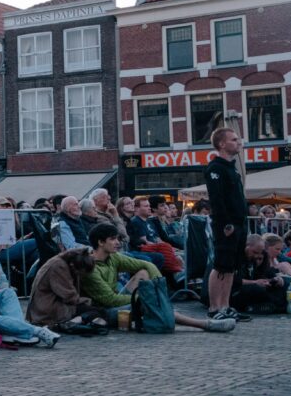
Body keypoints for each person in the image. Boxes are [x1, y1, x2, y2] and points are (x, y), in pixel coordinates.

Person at [81, 224, 231, 332]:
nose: (118, 243)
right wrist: (148, 298)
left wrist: (159, 292)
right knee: (150, 302)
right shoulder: (90, 268)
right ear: (100, 242)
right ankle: (204, 324)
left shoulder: (113, 257)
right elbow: (110, 300)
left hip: (116, 301)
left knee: (144, 272)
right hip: (104, 312)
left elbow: (146, 265)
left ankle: (159, 304)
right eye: (113, 239)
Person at [204, 127, 248, 323]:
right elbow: (217, 199)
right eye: (234, 139)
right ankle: (214, 308)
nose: (238, 143)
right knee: (221, 265)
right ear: (222, 144)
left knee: (231, 267)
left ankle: (225, 305)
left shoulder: (232, 168)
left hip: (239, 223)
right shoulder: (215, 168)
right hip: (227, 225)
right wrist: (226, 223)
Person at [25, 248, 107, 332]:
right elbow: (69, 296)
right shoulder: (59, 266)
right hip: (47, 311)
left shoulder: (65, 262)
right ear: (73, 265)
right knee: (98, 311)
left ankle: (78, 322)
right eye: (80, 273)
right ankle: (70, 324)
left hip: (52, 305)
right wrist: (89, 301)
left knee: (95, 312)